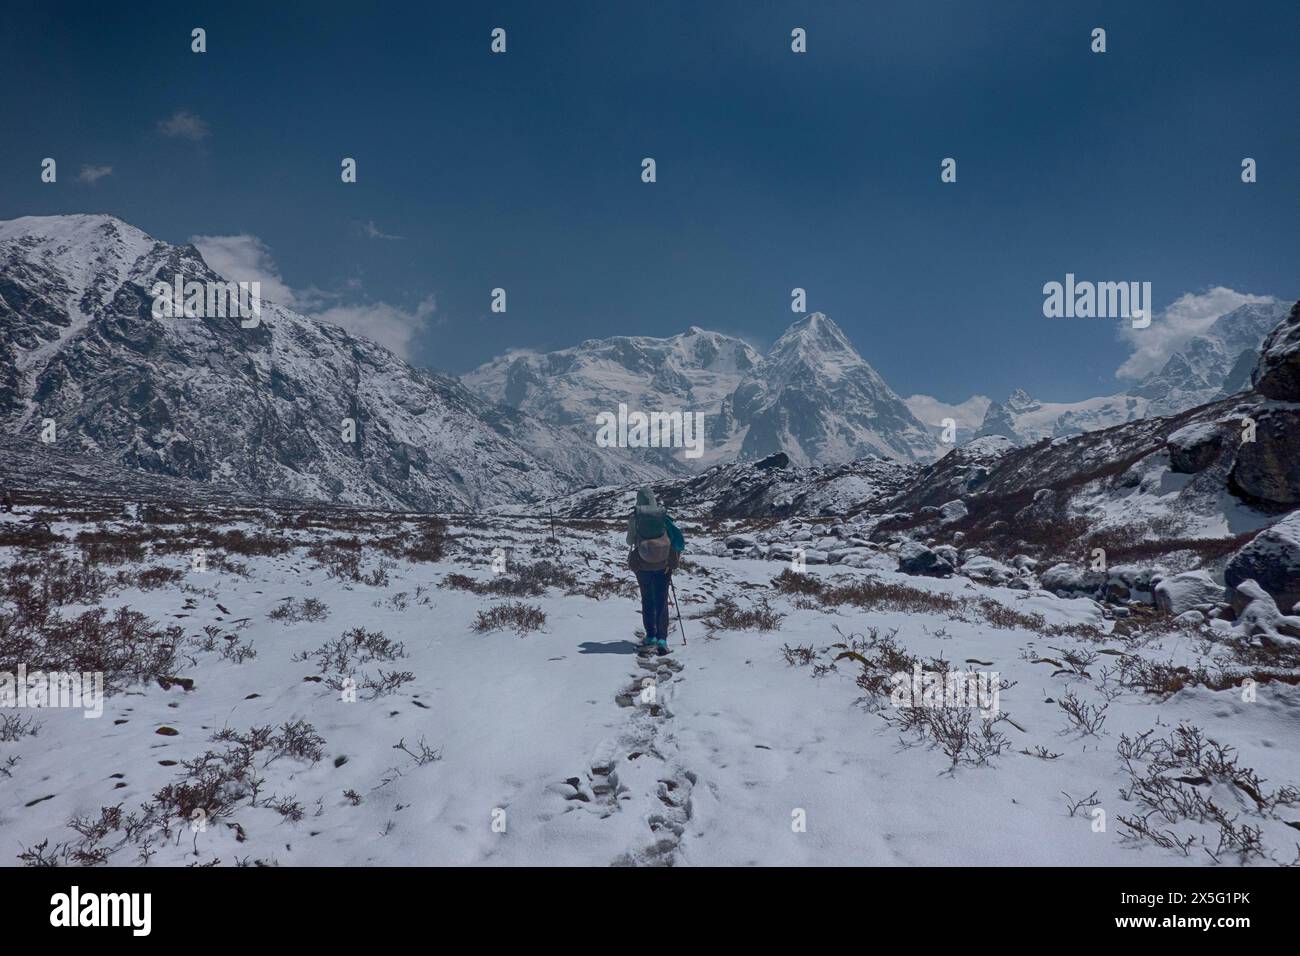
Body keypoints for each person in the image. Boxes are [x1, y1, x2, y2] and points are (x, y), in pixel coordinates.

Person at [626, 487, 685, 656]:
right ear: (653, 499)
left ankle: (650, 636)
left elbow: (630, 541)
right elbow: (674, 539)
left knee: (647, 599)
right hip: (663, 565)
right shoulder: (662, 516)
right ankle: (662, 639)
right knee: (661, 600)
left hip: (642, 567)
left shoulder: (635, 518)